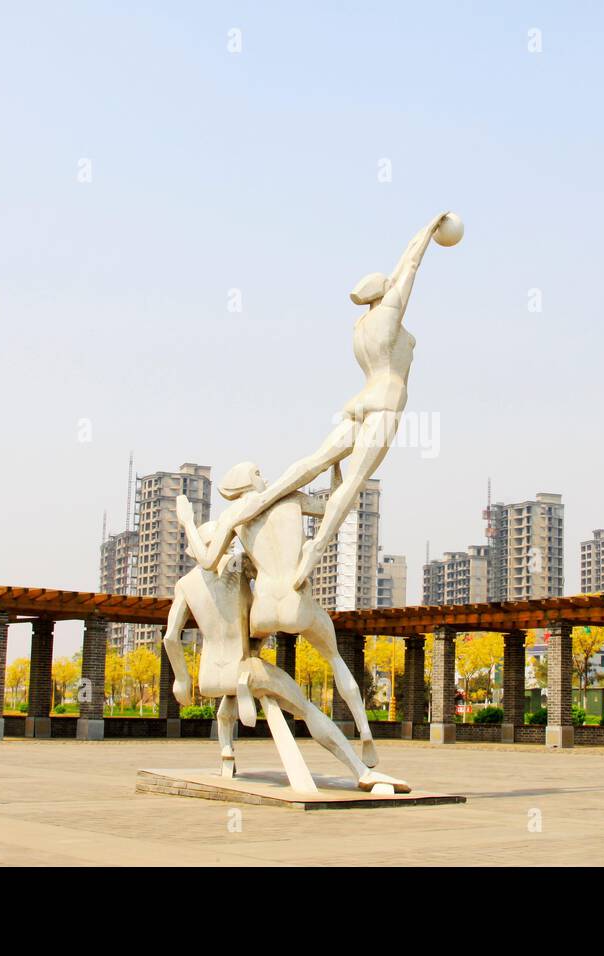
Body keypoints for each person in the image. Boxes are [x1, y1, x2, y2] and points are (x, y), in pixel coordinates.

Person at [197, 212, 453, 591]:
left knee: (315, 462)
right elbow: (410, 264)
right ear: (386, 292)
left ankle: (263, 500)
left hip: (358, 401)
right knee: (353, 484)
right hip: (383, 405)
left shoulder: (360, 327)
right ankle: (315, 552)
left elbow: (398, 273)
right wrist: (427, 231)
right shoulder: (387, 315)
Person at [161, 516, 407, 792]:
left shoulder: (185, 584)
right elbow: (275, 584)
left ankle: (227, 752)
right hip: (244, 668)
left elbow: (171, 637)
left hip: (209, 677)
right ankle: (361, 770)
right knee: (306, 707)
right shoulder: (237, 568)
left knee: (225, 707)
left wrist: (181, 679)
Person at [177, 461, 380, 766]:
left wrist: (188, 523)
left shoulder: (233, 516)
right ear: (246, 480)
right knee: (334, 656)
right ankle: (364, 731)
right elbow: (336, 506)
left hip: (264, 608)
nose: (265, 477)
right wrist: (337, 470)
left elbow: (206, 560)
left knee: (247, 654)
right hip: (295, 599)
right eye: (258, 473)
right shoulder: (289, 497)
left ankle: (235, 713)